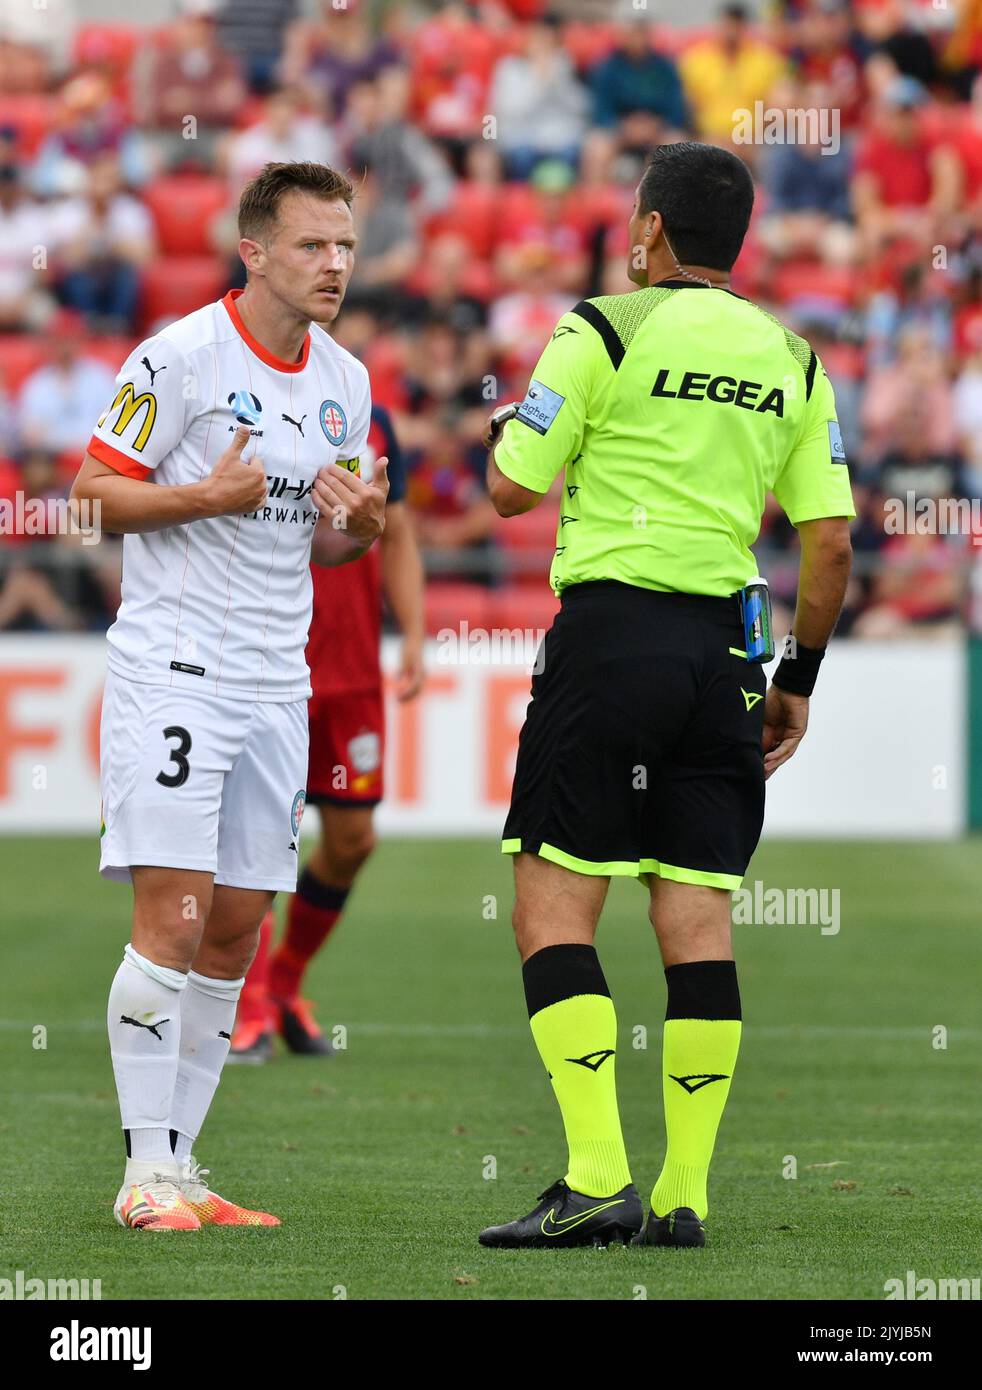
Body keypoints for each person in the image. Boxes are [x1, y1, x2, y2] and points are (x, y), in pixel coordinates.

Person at [479, 141, 855, 1249]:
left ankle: (596, 1175)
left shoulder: (600, 326)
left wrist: (507, 426)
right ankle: (684, 1195)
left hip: (611, 638)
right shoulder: (792, 356)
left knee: (554, 904)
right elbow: (827, 544)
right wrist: (797, 677)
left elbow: (509, 488)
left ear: (648, 230)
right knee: (696, 915)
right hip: (728, 658)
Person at [69, 160, 389, 1231]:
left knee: (238, 928)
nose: (334, 263)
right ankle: (142, 1176)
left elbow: (330, 547)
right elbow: (86, 499)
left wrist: (363, 525)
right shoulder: (181, 355)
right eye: (311, 245)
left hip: (275, 681)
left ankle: (185, 1170)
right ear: (253, 251)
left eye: (343, 245)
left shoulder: (345, 379)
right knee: (175, 911)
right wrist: (202, 493)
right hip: (175, 667)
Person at [230, 398, 425, 1061]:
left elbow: (395, 534)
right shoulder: (247, 408)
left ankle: (285, 983)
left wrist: (416, 633)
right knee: (256, 837)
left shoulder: (372, 414)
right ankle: (247, 1002)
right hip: (268, 662)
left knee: (353, 839)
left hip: (351, 671)